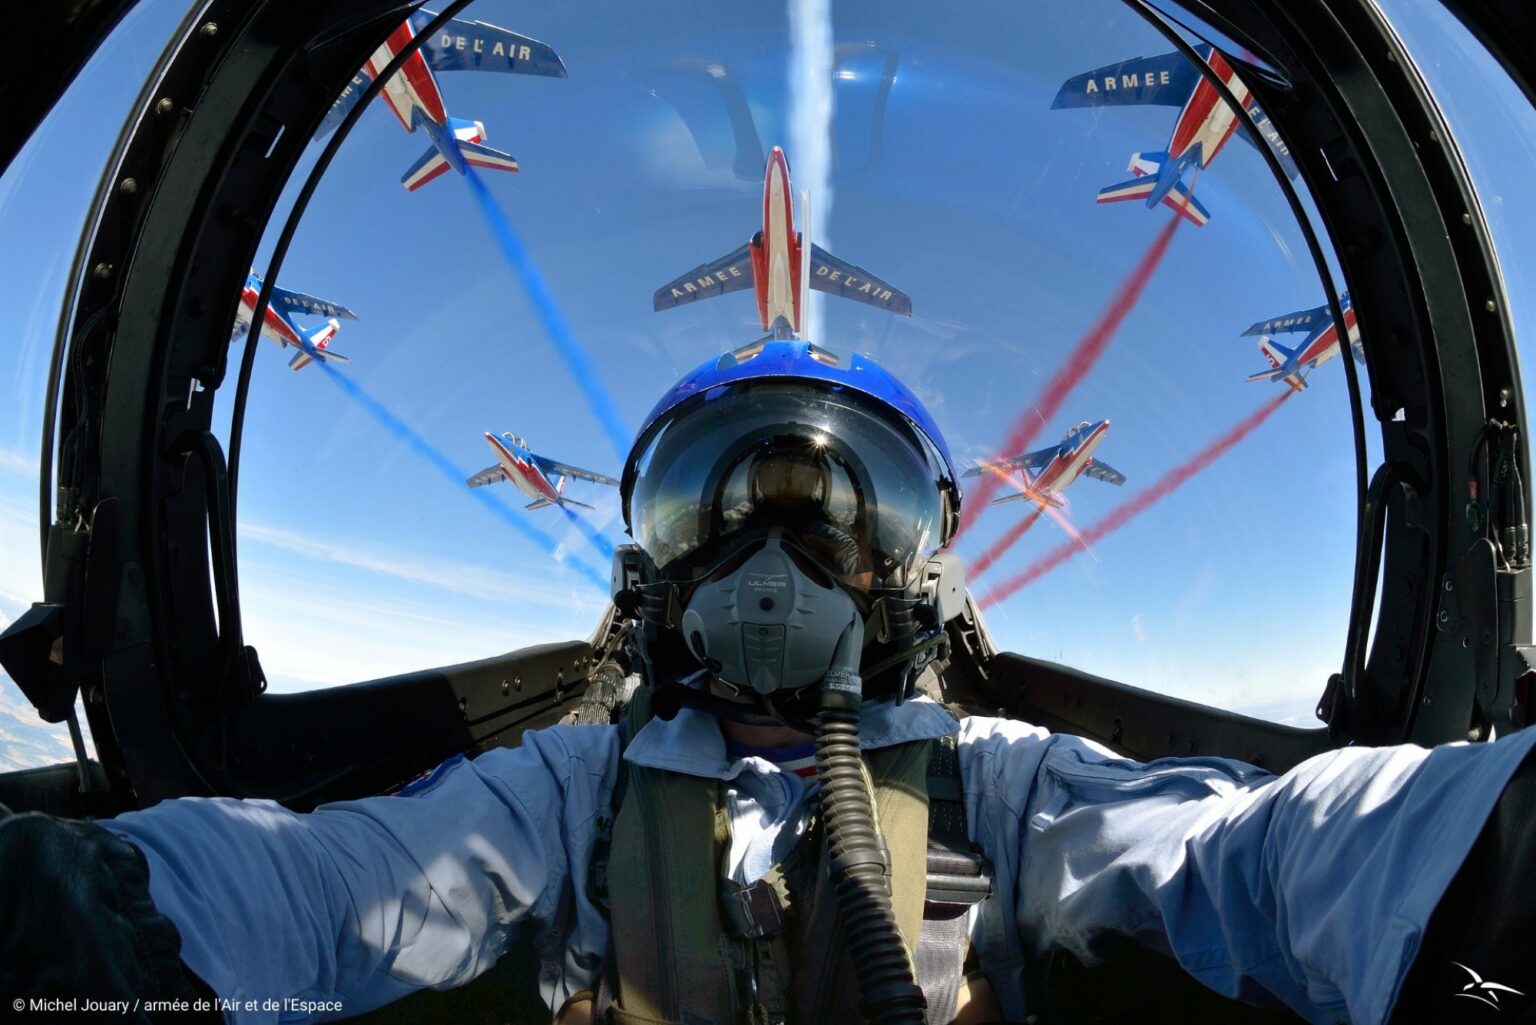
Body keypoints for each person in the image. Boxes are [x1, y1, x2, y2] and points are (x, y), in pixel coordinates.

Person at [2, 340, 1535, 1025]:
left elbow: (1239, 850)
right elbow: (334, 887)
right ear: (660, 563)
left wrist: (1482, 865)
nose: (773, 563)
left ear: (906, 573)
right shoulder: (572, 782)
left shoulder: (995, 776)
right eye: (726, 512)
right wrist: (100, 931)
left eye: (834, 520)